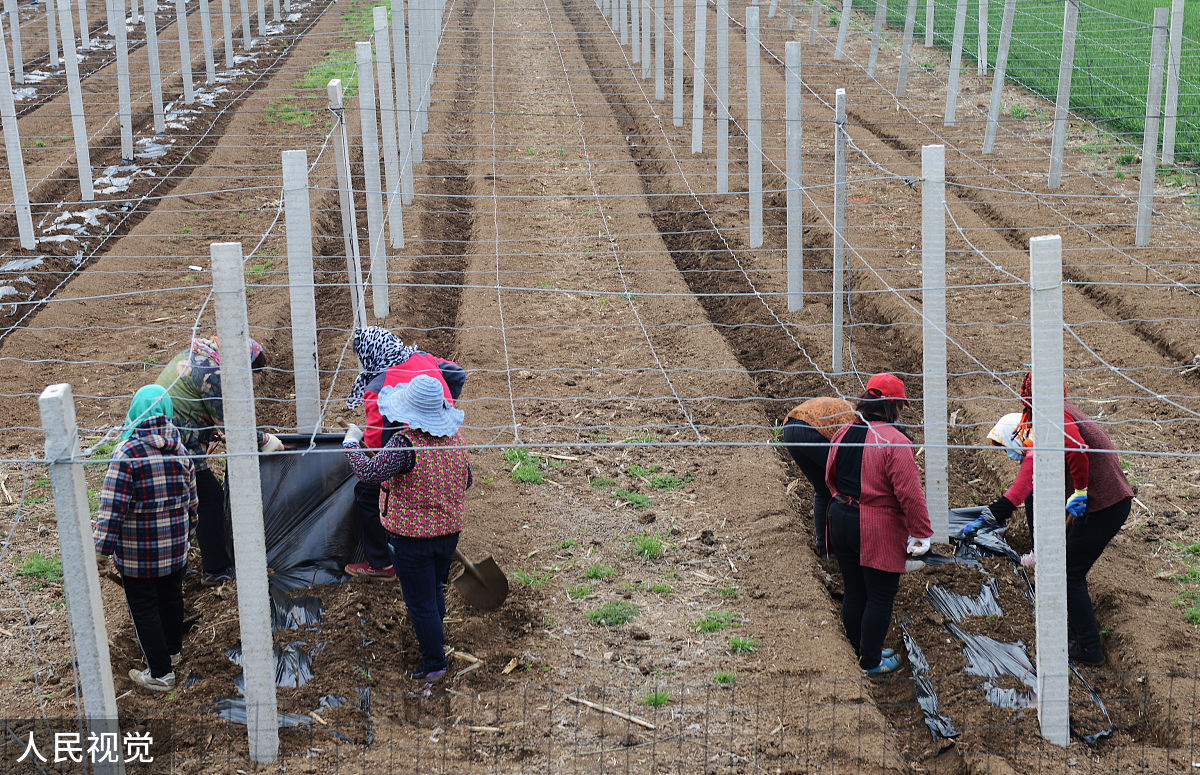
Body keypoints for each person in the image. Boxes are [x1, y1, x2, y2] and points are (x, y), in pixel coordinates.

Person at [980, 372, 1132, 666]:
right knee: (1068, 567)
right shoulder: (1059, 412)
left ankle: (1089, 647)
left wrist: (1081, 491)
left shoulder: (1054, 416)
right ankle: (1075, 633)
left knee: (1068, 572)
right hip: (1106, 502)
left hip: (1104, 505)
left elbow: (1076, 450)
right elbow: (1036, 478)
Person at [342, 375, 471, 683]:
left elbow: (369, 473)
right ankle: (437, 638)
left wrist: (351, 443)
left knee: (420, 602)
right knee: (434, 589)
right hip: (448, 533)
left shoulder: (404, 444)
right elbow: (466, 480)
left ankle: (434, 665)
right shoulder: (455, 439)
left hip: (411, 540)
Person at [826, 373, 933, 675]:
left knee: (854, 590)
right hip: (875, 526)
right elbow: (910, 494)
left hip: (840, 518)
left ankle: (858, 652)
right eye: (899, 406)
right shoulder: (894, 441)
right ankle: (870, 661)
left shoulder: (844, 431)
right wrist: (921, 532)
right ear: (892, 406)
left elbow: (830, 475)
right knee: (880, 595)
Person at [155, 337, 283, 587]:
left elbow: (192, 403)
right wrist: (265, 440)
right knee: (209, 497)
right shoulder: (213, 374)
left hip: (166, 434)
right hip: (174, 443)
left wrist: (207, 430)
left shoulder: (198, 355)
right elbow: (234, 426)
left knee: (177, 501)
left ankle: (176, 568)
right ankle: (215, 570)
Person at [95, 386, 198, 693]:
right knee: (171, 597)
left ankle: (160, 673)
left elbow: (112, 508)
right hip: (175, 551)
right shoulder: (180, 451)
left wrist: (101, 551)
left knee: (144, 608)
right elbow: (192, 503)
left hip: (138, 556)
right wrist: (188, 536)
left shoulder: (127, 454)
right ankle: (173, 652)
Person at [344, 326, 465, 579]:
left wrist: (355, 443)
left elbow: (374, 445)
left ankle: (381, 563)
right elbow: (457, 374)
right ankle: (439, 547)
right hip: (444, 439)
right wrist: (444, 409)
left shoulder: (377, 387)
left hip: (411, 449)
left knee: (367, 494)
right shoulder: (423, 357)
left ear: (369, 356)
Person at [782, 396, 857, 558]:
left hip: (790, 428)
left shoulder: (852, 410)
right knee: (847, 484)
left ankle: (825, 548)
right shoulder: (864, 422)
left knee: (823, 489)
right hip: (810, 429)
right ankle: (848, 544)